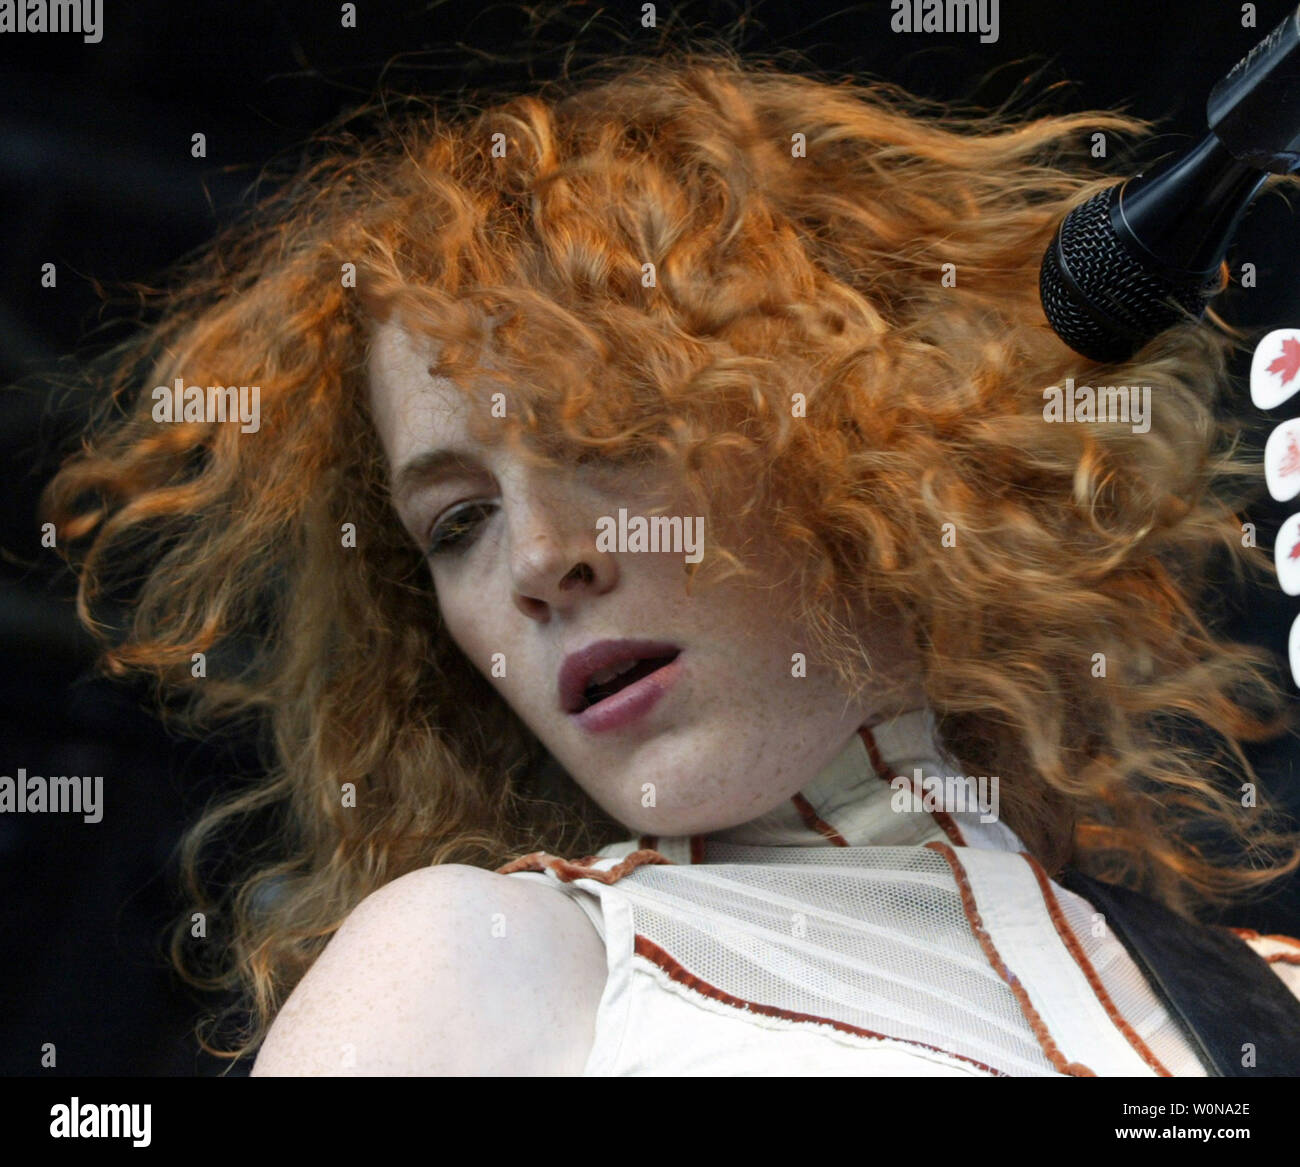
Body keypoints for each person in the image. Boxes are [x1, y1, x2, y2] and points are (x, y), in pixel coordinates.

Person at [42, 48, 1300, 1076]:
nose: (539, 560)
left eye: (607, 433)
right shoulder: (479, 965)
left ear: (864, 419)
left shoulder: (1262, 998)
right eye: (456, 523)